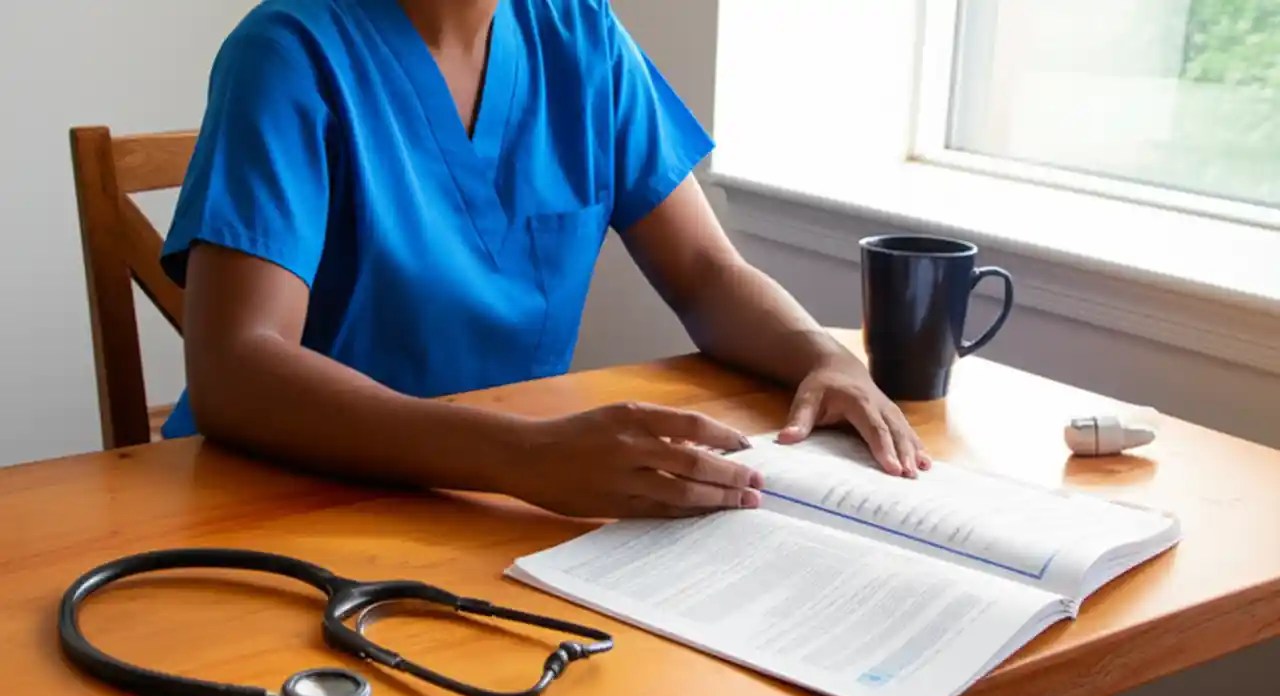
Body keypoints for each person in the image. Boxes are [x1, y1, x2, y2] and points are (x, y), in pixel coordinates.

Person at [161, 0, 930, 519]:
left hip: (493, 504)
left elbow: (705, 273)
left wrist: (822, 359)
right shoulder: (287, 55)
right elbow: (237, 371)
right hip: (292, 499)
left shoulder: (579, 34)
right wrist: (523, 457)